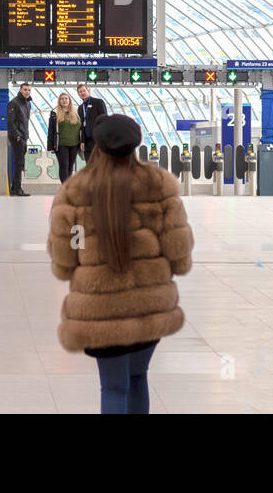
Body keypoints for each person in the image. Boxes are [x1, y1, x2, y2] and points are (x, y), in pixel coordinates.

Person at [47, 114, 194, 414]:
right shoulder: (159, 186)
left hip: (101, 311)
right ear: (134, 145)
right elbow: (179, 255)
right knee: (138, 377)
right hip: (149, 306)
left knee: (113, 386)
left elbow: (65, 258)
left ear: (96, 147)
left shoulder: (75, 192)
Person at [47, 92, 82, 183]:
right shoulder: (55, 113)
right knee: (64, 165)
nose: (64, 100)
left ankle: (68, 187)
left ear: (70, 100)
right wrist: (50, 146)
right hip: (61, 145)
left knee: (70, 167)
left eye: (66, 98)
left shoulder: (77, 112)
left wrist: (82, 142)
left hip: (74, 144)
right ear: (59, 101)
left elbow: (81, 128)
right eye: (62, 99)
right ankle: (65, 187)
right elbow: (51, 130)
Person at [6, 82, 32, 196]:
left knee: (20, 163)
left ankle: (13, 188)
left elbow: (25, 121)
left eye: (29, 90)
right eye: (25, 89)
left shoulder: (27, 104)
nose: (27, 92)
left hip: (23, 136)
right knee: (19, 162)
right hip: (17, 137)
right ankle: (18, 188)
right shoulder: (14, 103)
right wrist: (17, 135)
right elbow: (10, 122)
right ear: (20, 90)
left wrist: (25, 136)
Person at [76, 83, 107, 160]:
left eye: (84, 90)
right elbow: (82, 126)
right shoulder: (80, 108)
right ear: (78, 94)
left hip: (97, 139)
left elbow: (104, 119)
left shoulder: (98, 102)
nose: (82, 93)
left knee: (99, 164)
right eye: (80, 92)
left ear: (88, 90)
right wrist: (82, 141)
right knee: (89, 164)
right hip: (87, 141)